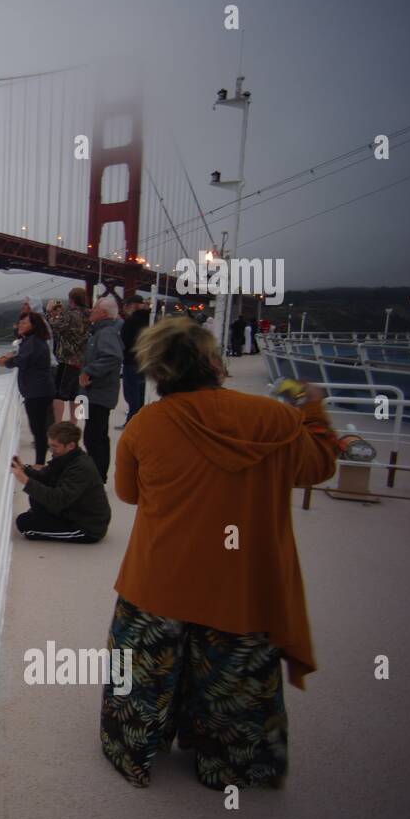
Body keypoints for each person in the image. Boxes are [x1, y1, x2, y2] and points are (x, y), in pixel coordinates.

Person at [100, 317, 338, 791]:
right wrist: (311, 409)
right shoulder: (276, 419)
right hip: (244, 586)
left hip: (160, 582)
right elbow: (319, 467)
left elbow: (128, 493)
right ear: (213, 363)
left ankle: (134, 751)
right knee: (236, 687)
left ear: (157, 371)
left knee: (140, 681)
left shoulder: (147, 424)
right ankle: (226, 767)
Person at [10, 421, 110, 543]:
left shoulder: (81, 467)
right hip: (71, 510)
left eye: (55, 446)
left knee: (24, 524)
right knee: (36, 499)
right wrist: (24, 469)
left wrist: (25, 481)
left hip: (87, 527)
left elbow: (59, 500)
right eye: (50, 445)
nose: (51, 450)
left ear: (71, 445)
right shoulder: (66, 457)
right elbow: (46, 476)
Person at [0, 312, 56, 464]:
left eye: (24, 323)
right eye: (20, 322)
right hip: (39, 389)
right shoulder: (34, 341)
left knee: (38, 429)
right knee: (40, 428)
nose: (20, 325)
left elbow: (23, 360)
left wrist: (6, 361)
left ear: (34, 325)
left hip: (37, 391)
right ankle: (44, 461)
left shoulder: (33, 342)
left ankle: (40, 464)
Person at [77, 297, 123, 482]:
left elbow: (113, 357)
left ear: (103, 313)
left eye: (94, 308)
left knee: (94, 436)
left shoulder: (106, 333)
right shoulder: (99, 331)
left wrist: (89, 371)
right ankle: (96, 475)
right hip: (92, 394)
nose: (91, 311)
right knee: (93, 434)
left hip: (99, 394)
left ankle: (96, 476)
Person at [48, 287, 91, 426]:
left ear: (71, 300)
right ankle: (74, 424)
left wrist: (50, 312)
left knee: (59, 394)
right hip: (84, 360)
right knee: (77, 394)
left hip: (67, 359)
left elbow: (53, 326)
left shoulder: (70, 314)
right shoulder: (90, 314)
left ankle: (58, 425)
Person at [117, 293, 149, 429]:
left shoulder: (131, 322)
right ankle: (139, 420)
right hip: (144, 361)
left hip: (131, 362)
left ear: (131, 306)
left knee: (131, 394)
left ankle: (131, 422)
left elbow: (125, 341)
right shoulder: (149, 319)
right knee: (140, 393)